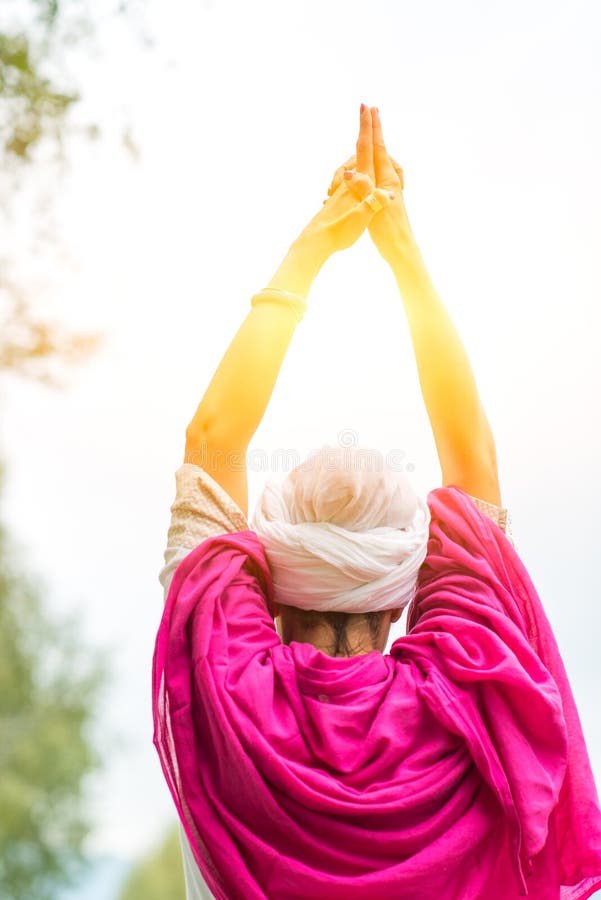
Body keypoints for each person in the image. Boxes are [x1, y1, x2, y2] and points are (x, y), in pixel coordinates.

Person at [152, 105, 601, 899]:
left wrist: (313, 247)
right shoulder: (468, 698)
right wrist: (404, 255)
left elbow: (212, 439)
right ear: (401, 598)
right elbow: (475, 466)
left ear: (267, 578)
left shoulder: (219, 682)